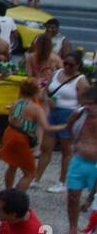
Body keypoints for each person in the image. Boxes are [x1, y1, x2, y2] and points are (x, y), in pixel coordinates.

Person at [0, 79, 64, 192]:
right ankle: (15, 198)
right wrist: (66, 126)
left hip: (9, 134)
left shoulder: (16, 102)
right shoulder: (35, 108)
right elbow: (47, 127)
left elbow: (10, 118)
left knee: (12, 165)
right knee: (30, 173)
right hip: (21, 138)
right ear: (35, 92)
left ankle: (7, 191)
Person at [39, 54, 89, 194]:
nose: (66, 66)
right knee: (46, 147)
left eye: (71, 65)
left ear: (78, 66)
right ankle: (36, 178)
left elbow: (84, 103)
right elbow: (46, 92)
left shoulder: (81, 81)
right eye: (65, 63)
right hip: (53, 112)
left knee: (66, 150)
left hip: (69, 114)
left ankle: (61, 181)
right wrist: (47, 100)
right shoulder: (56, 73)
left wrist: (75, 118)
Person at [62, 87, 97, 234]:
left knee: (95, 201)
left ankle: (93, 233)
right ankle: (73, 229)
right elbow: (69, 128)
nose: (87, 107)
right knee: (72, 197)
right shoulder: (80, 114)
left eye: (91, 104)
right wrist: (74, 143)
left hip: (95, 164)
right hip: (79, 160)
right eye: (85, 103)